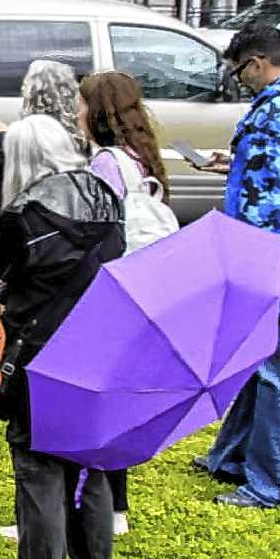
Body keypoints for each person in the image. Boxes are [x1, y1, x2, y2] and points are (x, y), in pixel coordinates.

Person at [0, 114, 124, 559]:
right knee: (92, 464)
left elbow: (11, 285)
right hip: (97, 345)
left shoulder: (25, 214)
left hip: (40, 349)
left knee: (38, 467)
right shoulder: (105, 196)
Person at [203, 26, 280, 508]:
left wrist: (244, 255)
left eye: (240, 70)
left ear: (259, 62)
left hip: (278, 251)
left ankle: (277, 482)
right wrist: (238, 160)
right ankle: (233, 455)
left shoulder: (275, 110)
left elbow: (265, 194)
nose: (239, 80)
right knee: (260, 356)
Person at [78, 69, 170, 533]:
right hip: (142, 289)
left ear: (96, 112)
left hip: (112, 291)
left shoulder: (106, 164)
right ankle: (115, 505)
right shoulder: (142, 157)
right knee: (117, 399)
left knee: (96, 402)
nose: (76, 112)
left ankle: (102, 507)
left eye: (81, 104)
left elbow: (98, 232)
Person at [0, 58, 85, 229]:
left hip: (19, 238)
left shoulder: (21, 141)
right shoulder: (75, 138)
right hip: (61, 236)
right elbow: (11, 138)